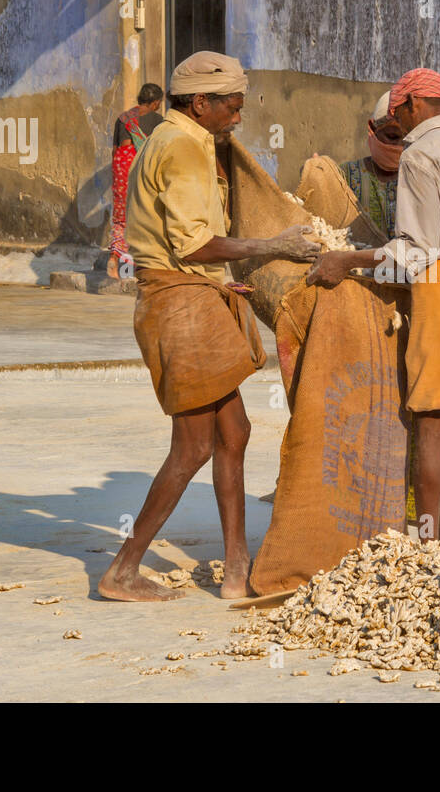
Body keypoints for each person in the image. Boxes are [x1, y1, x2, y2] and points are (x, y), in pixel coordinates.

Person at [99, 52, 318, 601]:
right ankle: (123, 570)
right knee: (194, 446)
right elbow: (195, 245)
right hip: (179, 305)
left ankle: (237, 568)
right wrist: (274, 244)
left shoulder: (181, 140)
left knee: (234, 432)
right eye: (232, 108)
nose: (238, 118)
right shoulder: (181, 146)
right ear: (201, 102)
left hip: (193, 298)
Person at [308, 68, 440, 569]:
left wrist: (346, 259)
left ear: (412, 106)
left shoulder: (422, 154)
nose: (398, 125)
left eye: (398, 114)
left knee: (429, 419)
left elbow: (413, 251)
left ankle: (428, 549)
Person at [336, 91, 440, 538]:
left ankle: (430, 528)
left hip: (427, 311)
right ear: (371, 131)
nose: (398, 146)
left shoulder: (430, 173)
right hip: (363, 316)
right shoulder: (344, 180)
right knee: (367, 416)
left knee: (431, 422)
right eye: (390, 137)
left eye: (404, 138)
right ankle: (367, 522)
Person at [108, 83, 165, 279]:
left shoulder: (123, 118)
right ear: (155, 103)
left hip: (121, 165)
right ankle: (141, 262)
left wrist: (117, 175)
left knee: (121, 215)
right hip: (139, 163)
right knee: (144, 212)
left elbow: (115, 150)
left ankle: (115, 256)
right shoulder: (158, 120)